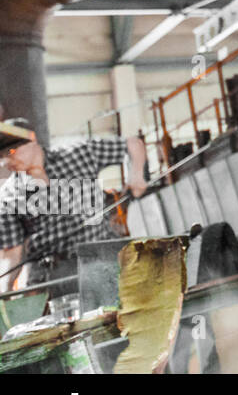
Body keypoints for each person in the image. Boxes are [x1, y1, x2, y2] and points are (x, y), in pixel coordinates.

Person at [0, 119, 148, 293]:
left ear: (32, 139)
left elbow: (133, 144)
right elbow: (12, 253)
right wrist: (5, 290)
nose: (6, 162)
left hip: (101, 262)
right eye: (1, 156)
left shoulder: (80, 154)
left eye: (11, 151)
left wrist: (137, 174)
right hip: (51, 277)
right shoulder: (7, 195)